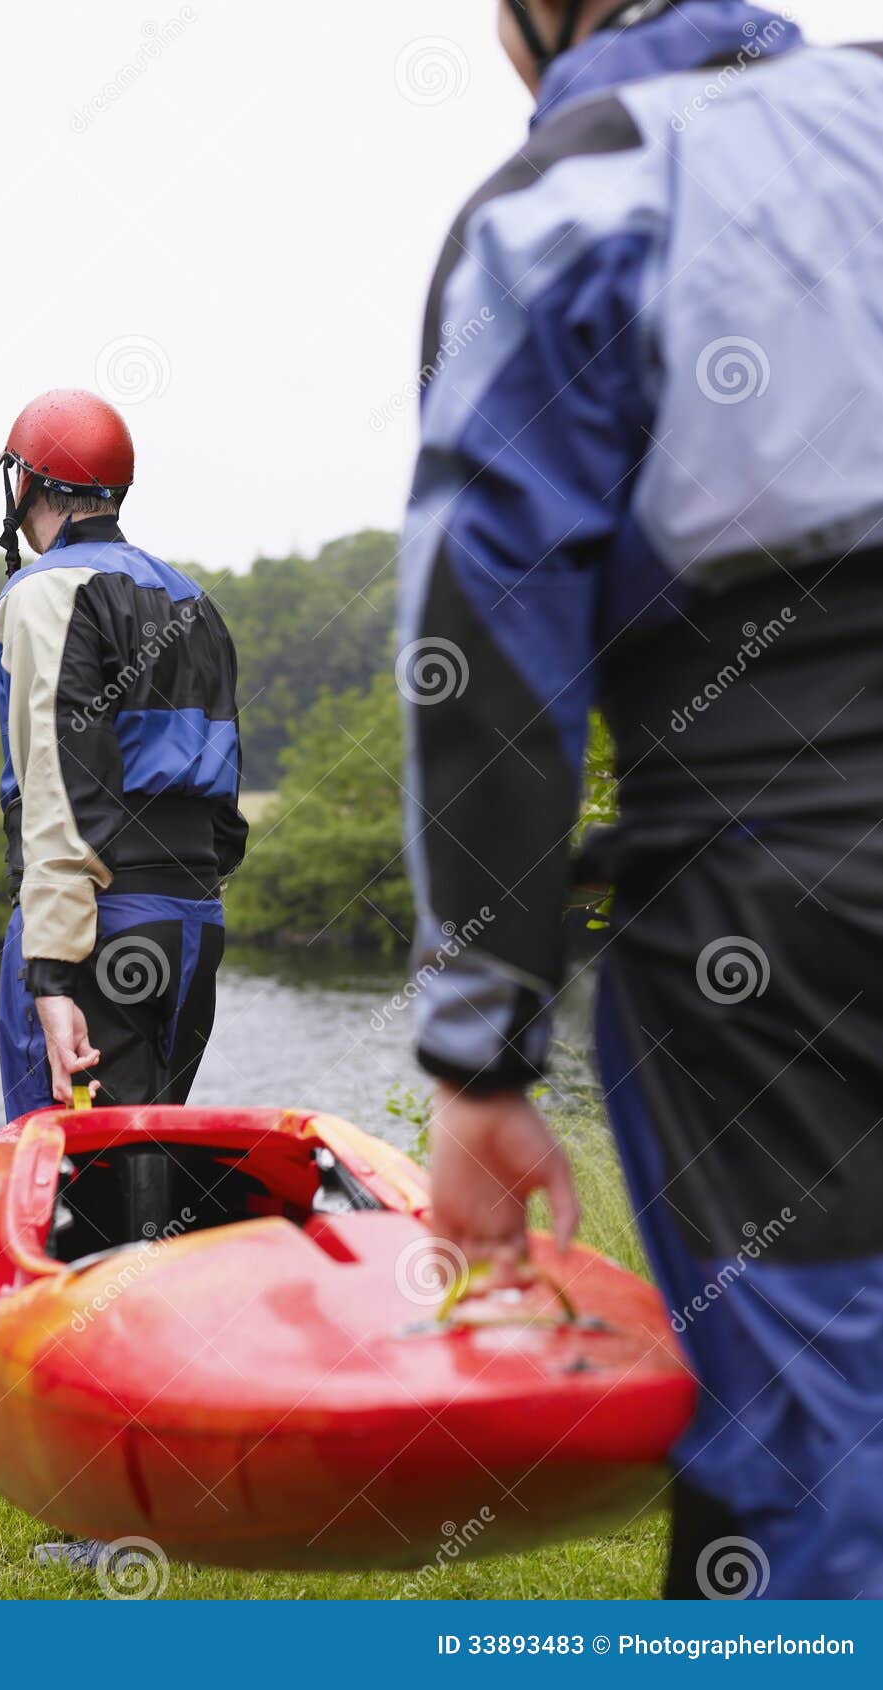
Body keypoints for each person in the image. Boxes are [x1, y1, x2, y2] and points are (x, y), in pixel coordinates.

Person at [400, 0, 883, 1598]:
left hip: (774, 894)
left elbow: (483, 643)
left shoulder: (570, 192)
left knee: (815, 1455)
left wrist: (480, 1051)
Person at [0, 388, 248, 1117]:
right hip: (192, 920)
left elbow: (58, 779)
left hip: (98, 922)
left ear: (30, 482)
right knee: (152, 1173)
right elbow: (224, 790)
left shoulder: (45, 591)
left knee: (72, 1186)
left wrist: (51, 973)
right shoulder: (191, 597)